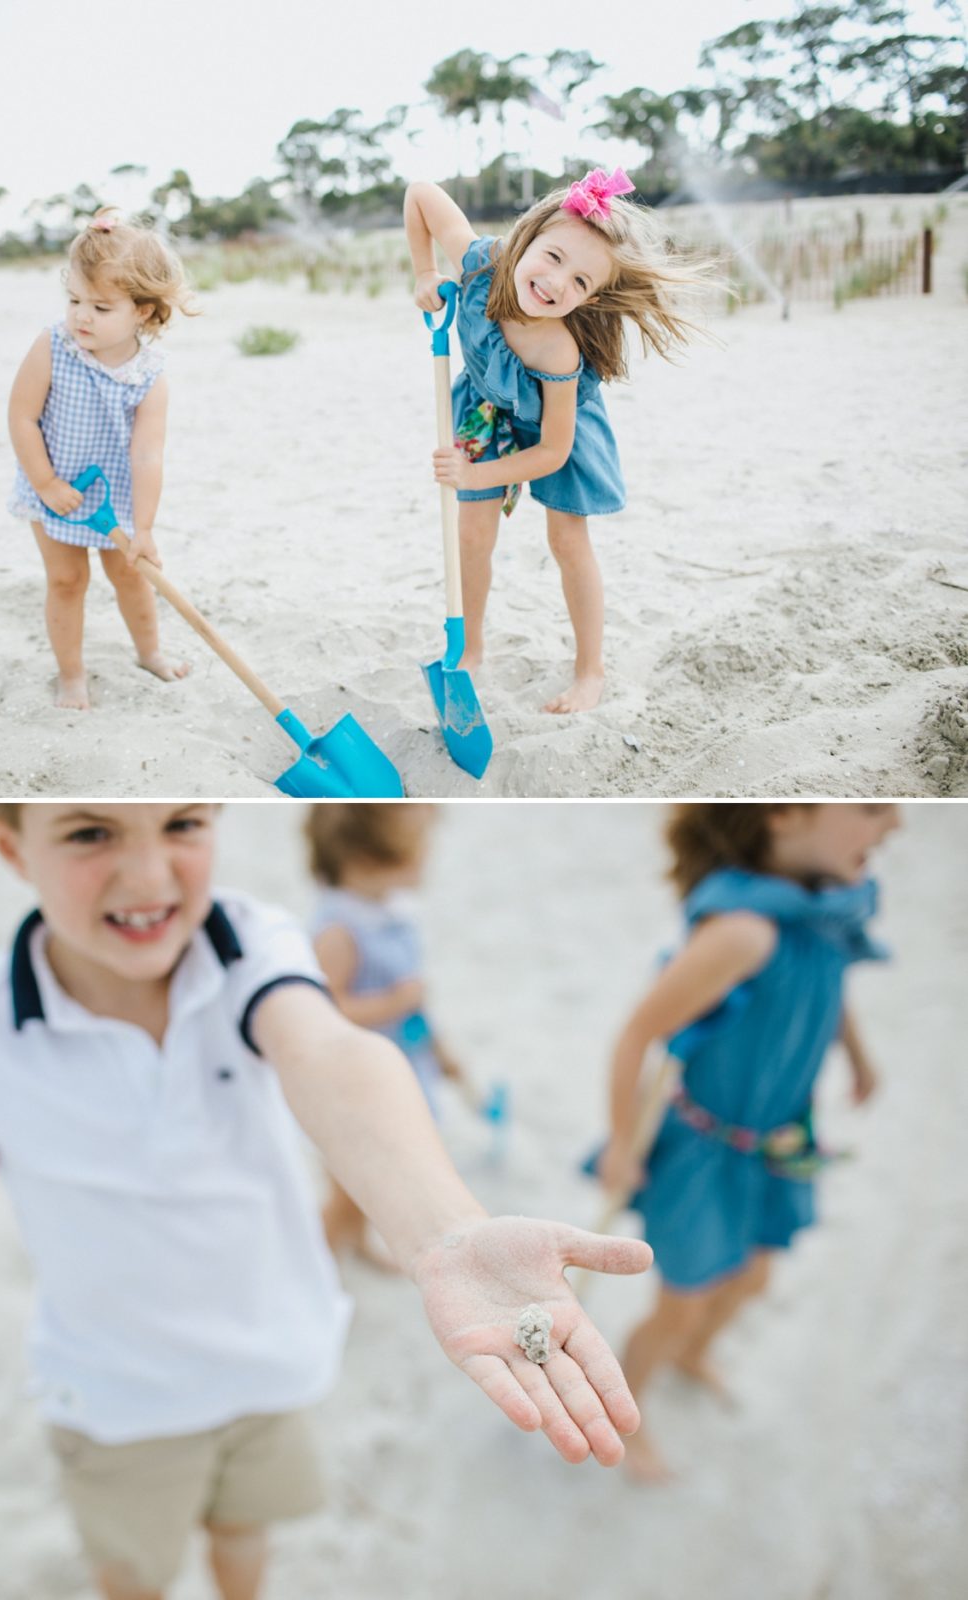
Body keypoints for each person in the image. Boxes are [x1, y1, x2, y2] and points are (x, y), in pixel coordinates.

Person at [0, 803, 651, 1600]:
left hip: (274, 1365)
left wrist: (447, 1231)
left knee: (247, 1536)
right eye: (90, 833)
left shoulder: (250, 944)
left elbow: (331, 1053)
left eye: (183, 824)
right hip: (117, 1399)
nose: (149, 876)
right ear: (8, 844)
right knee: (133, 1574)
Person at [588, 801, 898, 1481]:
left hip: (777, 1145)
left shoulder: (825, 913)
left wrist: (857, 1053)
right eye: (873, 808)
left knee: (753, 1277)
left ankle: (694, 1354)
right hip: (707, 1149)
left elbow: (829, 981)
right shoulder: (743, 934)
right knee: (681, 1301)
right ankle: (624, 1410)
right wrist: (621, 1141)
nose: (894, 824)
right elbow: (637, 1033)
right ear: (784, 816)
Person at [404, 170, 716, 713]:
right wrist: (426, 272)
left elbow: (553, 451)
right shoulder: (480, 263)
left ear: (591, 297)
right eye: (553, 257)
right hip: (486, 405)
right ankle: (470, 650)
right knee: (471, 533)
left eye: (580, 282)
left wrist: (475, 473)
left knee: (567, 540)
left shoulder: (558, 348)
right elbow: (421, 194)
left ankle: (590, 670)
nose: (556, 284)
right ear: (527, 236)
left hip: (556, 425)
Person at [7, 210, 193, 710]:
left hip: (115, 497)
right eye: (74, 300)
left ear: (144, 312)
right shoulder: (54, 345)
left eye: (101, 307)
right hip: (56, 490)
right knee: (67, 581)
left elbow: (147, 454)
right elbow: (22, 417)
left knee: (131, 575)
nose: (82, 317)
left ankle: (149, 653)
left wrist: (144, 528)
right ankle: (71, 675)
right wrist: (46, 483)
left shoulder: (149, 374)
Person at [303, 803, 466, 1264]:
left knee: (373, 1182)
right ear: (369, 860)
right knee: (352, 1185)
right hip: (357, 1082)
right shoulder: (340, 931)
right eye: (419, 845)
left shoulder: (389, 912)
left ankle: (356, 1241)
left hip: (403, 1062)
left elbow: (414, 1005)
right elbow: (320, 1010)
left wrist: (440, 1051)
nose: (429, 853)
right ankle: (318, 1261)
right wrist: (394, 1003)